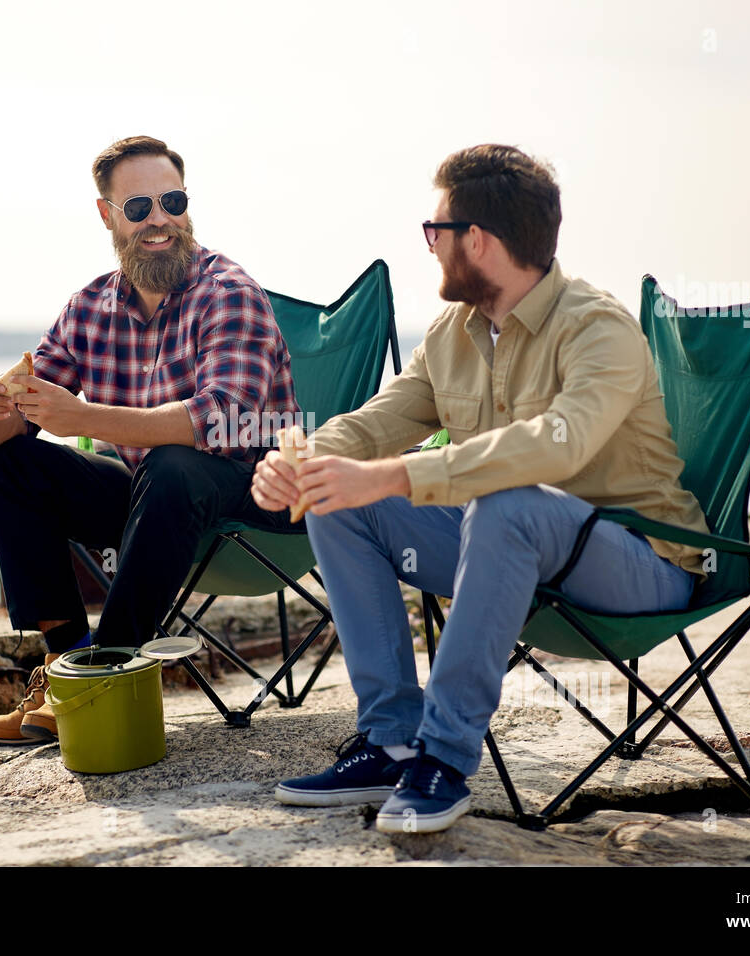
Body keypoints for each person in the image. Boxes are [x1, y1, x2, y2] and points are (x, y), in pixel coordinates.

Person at [250, 144, 712, 834]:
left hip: (641, 564)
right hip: (508, 553)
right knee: (340, 498)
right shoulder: (455, 333)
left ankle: (443, 758)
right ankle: (392, 740)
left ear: (478, 241)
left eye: (436, 231)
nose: (429, 247)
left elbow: (561, 442)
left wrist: (398, 473)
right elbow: (382, 420)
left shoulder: (597, 327)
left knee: (508, 500)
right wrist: (307, 462)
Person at [0, 135, 301, 745]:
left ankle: (105, 671)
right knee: (5, 466)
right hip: (158, 505)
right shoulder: (89, 307)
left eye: (172, 200)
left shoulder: (228, 292)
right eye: (139, 207)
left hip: (262, 495)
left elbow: (221, 420)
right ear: (107, 216)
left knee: (176, 462)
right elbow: (24, 416)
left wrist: (86, 417)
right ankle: (65, 664)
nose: (160, 220)